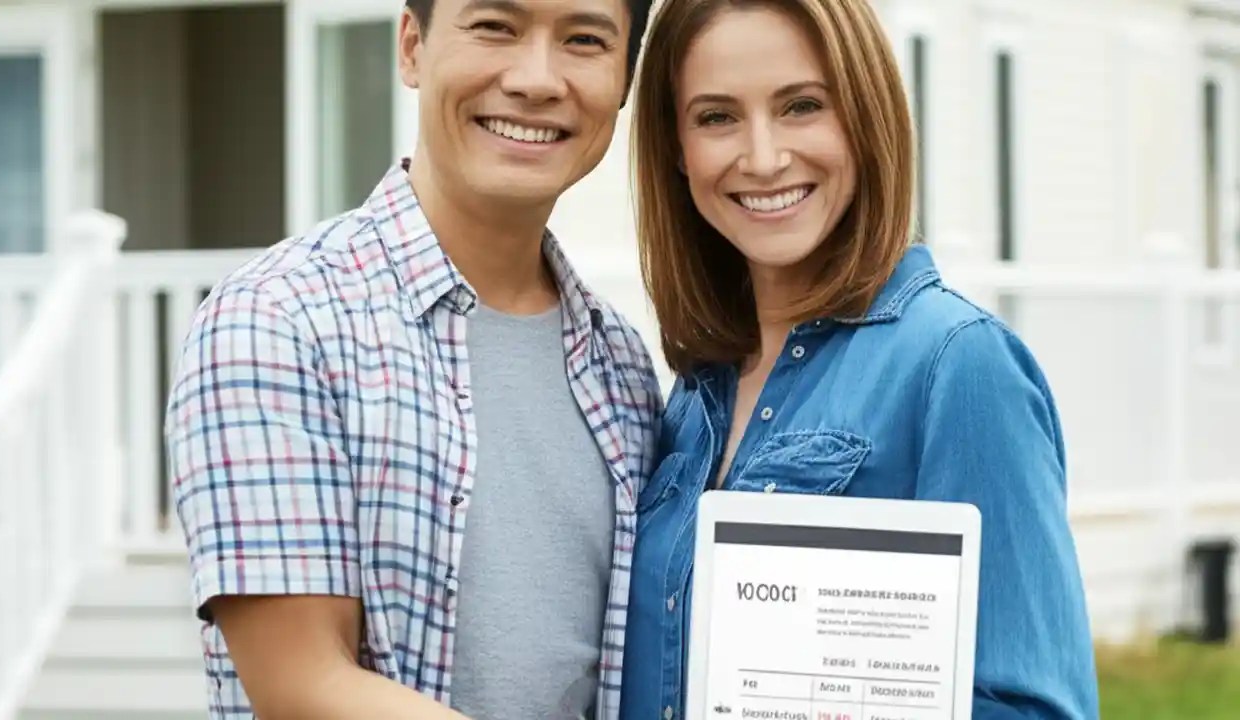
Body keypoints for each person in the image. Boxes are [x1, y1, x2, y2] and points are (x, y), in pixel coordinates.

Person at [164, 0, 660, 718]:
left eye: (584, 40)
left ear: (623, 81)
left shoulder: (621, 366)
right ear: (411, 46)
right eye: (496, 26)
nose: (536, 78)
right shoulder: (278, 320)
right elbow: (305, 688)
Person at [618, 0, 1099, 718]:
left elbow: (1037, 708)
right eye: (716, 117)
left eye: (802, 106)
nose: (763, 156)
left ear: (865, 115)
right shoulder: (697, 392)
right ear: (676, 151)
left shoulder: (960, 367)